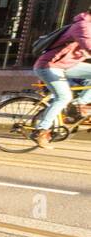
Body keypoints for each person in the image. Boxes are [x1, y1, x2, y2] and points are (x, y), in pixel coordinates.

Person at [31, 9, 91, 148]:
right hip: (48, 65)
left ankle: (79, 103)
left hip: (66, 65)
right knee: (63, 97)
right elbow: (88, 45)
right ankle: (41, 130)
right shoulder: (83, 25)